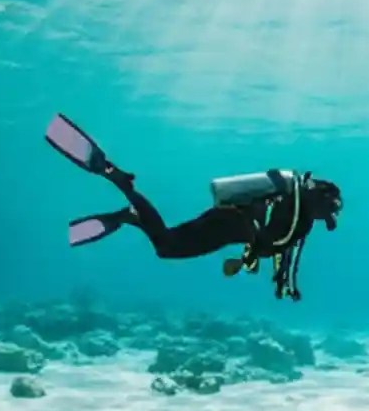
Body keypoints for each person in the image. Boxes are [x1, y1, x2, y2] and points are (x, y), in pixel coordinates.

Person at [46, 113, 344, 301]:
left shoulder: (300, 218)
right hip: (225, 224)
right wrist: (251, 256)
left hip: (226, 226)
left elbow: (277, 245)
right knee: (166, 246)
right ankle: (119, 182)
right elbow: (262, 229)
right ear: (319, 197)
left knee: (166, 244)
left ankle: (131, 210)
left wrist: (258, 265)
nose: (330, 216)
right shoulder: (293, 207)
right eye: (331, 207)